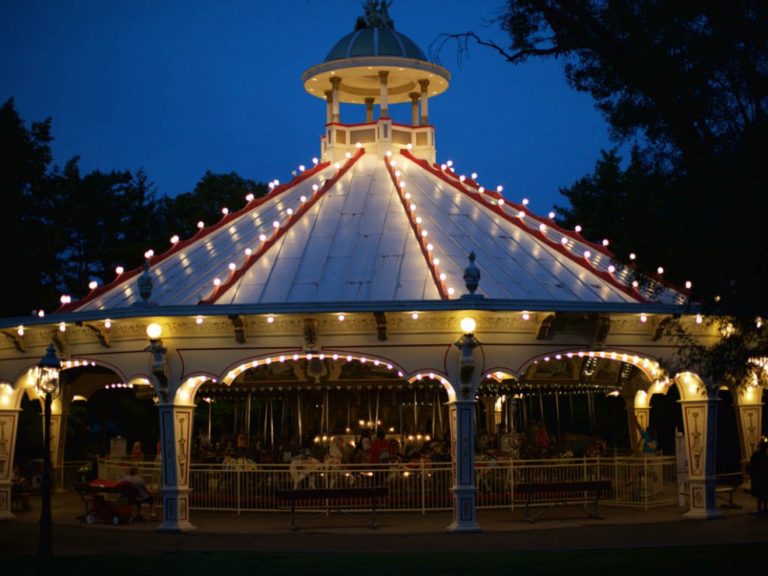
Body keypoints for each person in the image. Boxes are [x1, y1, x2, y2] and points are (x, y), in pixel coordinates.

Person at [749, 438, 768, 517]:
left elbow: (752, 465)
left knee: (759, 494)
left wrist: (751, 475)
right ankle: (764, 508)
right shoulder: (766, 455)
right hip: (765, 477)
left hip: (758, 477)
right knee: (765, 494)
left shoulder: (756, 454)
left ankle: (759, 509)